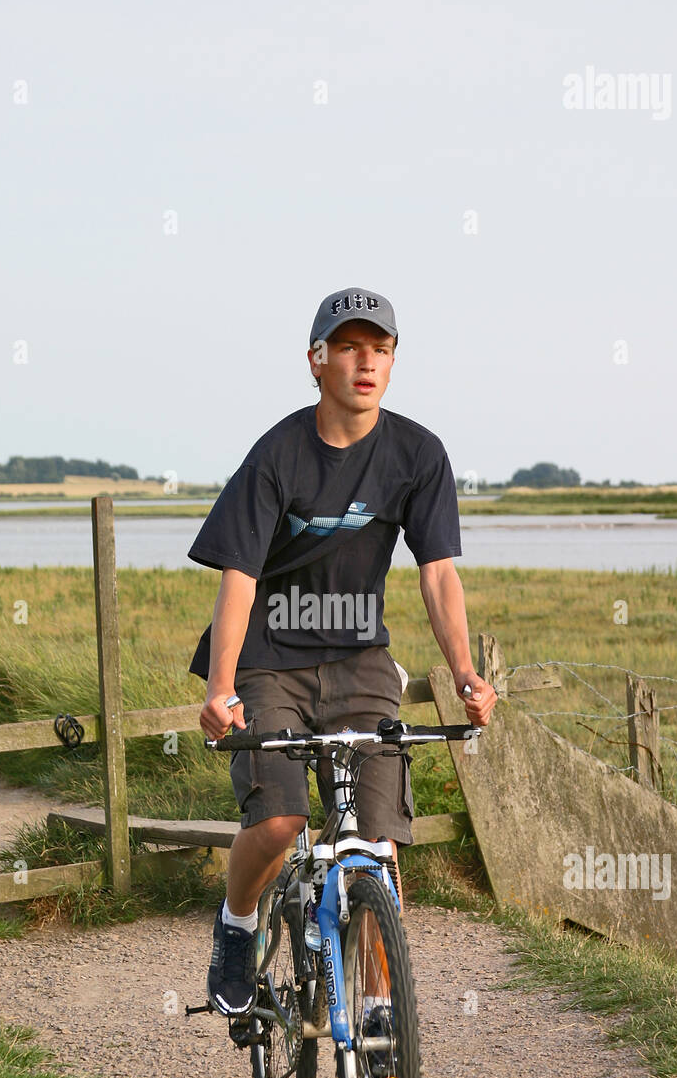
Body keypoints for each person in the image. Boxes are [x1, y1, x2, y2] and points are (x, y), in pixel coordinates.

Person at [188, 286, 497, 1019]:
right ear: (316, 360)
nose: (366, 361)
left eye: (380, 348)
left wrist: (464, 675)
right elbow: (239, 576)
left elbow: (438, 572)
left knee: (379, 841)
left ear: (393, 362)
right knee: (279, 821)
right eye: (350, 346)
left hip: (360, 662)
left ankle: (381, 1006)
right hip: (269, 658)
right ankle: (236, 927)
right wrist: (222, 686)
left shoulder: (418, 454)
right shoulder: (277, 454)